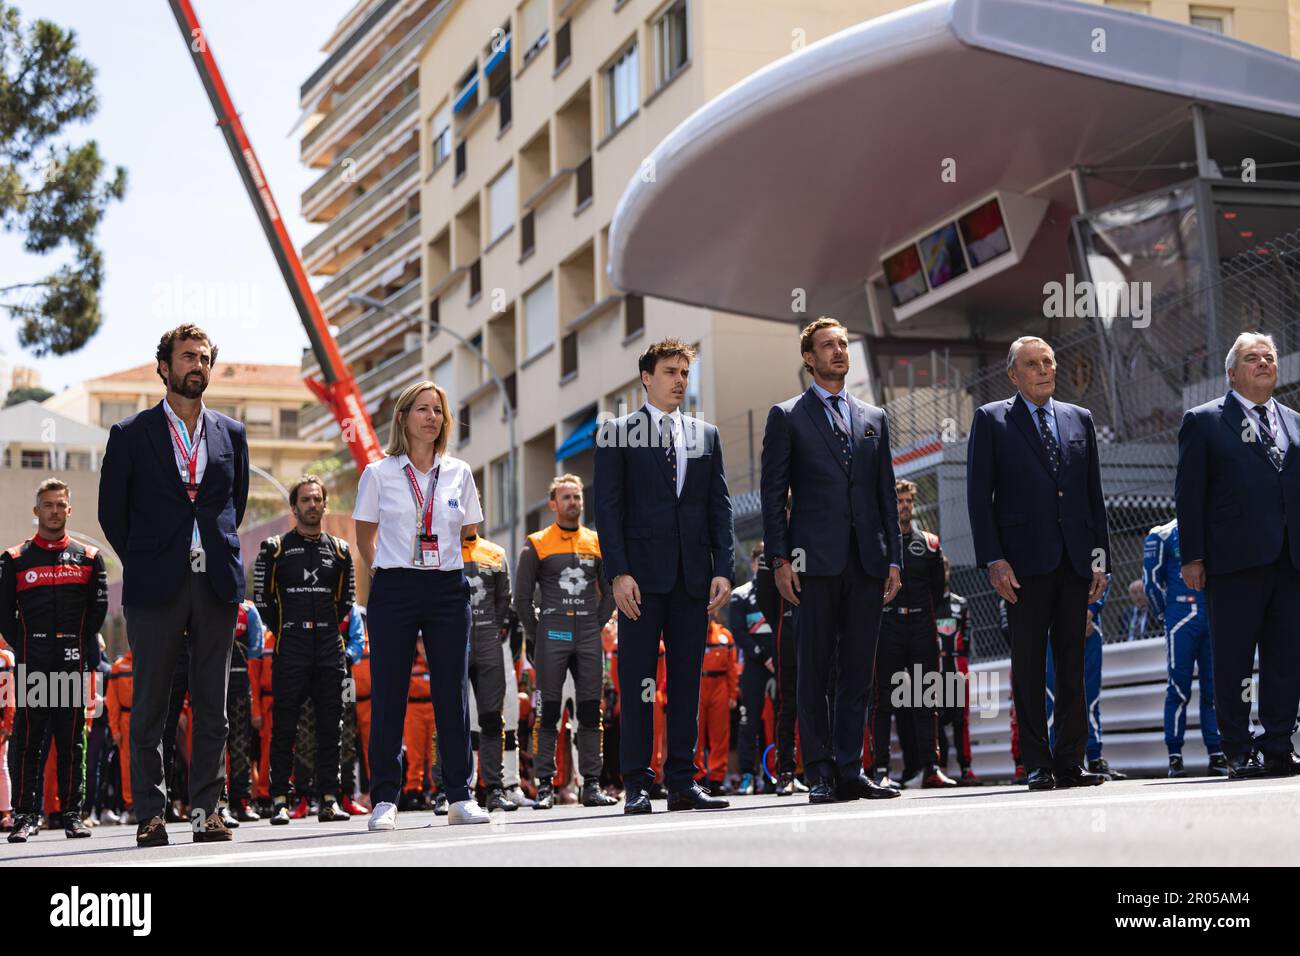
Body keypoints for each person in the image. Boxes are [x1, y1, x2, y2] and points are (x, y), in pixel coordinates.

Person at [98, 324, 250, 845]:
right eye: (187, 357)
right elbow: (110, 514)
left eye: (204, 358)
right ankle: (151, 813)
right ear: (164, 367)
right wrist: (147, 559)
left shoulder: (231, 433)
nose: (197, 365)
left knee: (213, 703)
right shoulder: (131, 434)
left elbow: (236, 504)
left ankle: (208, 809)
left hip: (216, 583)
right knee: (150, 704)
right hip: (155, 584)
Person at [761, 317, 903, 804]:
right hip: (812, 563)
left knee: (859, 670)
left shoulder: (874, 418)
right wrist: (780, 559)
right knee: (813, 669)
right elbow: (773, 494)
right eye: (828, 345)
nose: (839, 351)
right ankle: (818, 769)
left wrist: (895, 560)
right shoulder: (787, 416)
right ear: (809, 358)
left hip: (867, 561)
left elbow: (886, 494)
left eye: (843, 343)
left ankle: (850, 768)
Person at [594, 338, 735, 814]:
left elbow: (720, 507)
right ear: (646, 378)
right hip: (639, 584)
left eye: (684, 373)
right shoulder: (617, 433)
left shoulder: (706, 435)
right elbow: (608, 511)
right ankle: (636, 783)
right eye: (670, 371)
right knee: (637, 684)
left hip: (693, 581)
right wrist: (617, 574)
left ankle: (682, 781)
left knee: (687, 685)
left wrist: (723, 570)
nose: (679, 380)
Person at [967, 335, 1110, 792]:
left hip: (1073, 562)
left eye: (1049, 361)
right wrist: (994, 559)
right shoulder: (991, 420)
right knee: (1028, 667)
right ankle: (1037, 763)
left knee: (1073, 665)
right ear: (1014, 374)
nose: (1045, 369)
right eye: (1033, 364)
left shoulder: (1079, 418)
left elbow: (1093, 496)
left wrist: (1099, 560)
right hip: (1022, 567)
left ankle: (1070, 761)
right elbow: (978, 498)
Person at [353, 380, 489, 827]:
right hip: (394, 588)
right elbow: (364, 537)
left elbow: (470, 532)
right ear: (403, 417)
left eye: (438, 410)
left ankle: (459, 795)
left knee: (451, 691)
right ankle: (385, 800)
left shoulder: (460, 473)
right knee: (389, 692)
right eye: (423, 409)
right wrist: (384, 571)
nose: (432, 417)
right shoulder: (378, 473)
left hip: (448, 587)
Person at [1174, 331, 1300, 778]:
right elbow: (1189, 495)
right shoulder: (1204, 421)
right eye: (1253, 358)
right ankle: (1236, 749)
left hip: (1290, 561)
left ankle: (1279, 746)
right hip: (1233, 562)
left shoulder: (1294, 420)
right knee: (1233, 659)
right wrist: (1192, 556)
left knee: (1287, 658)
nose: (1265, 362)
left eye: (1269, 357)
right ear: (1231, 372)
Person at [1, 478, 108, 842]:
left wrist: (74, 643)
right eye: (48, 505)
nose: (55, 511)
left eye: (61, 505)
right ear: (36, 511)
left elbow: (98, 612)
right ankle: (25, 816)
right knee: (29, 741)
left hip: (72, 662)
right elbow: (4, 615)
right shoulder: (15, 559)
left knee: (72, 741)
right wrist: (28, 645)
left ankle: (73, 815)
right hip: (34, 662)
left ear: (69, 510)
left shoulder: (90, 558)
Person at [255, 476, 355, 825]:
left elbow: (346, 603)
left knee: (332, 727)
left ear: (325, 505)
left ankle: (330, 799)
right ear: (294, 507)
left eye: (317, 499)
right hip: (291, 647)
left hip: (329, 648)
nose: (312, 505)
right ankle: (279, 799)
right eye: (305, 500)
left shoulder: (341, 551)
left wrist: (326, 629)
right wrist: (285, 630)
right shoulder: (275, 548)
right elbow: (262, 600)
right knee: (284, 727)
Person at [515, 475, 618, 809]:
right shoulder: (537, 542)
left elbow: (611, 591)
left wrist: (596, 623)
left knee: (591, 711)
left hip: (588, 633)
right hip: (552, 633)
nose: (573, 502)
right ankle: (545, 786)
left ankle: (591, 784)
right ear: (553, 504)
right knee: (548, 712)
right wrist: (536, 633)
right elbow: (521, 596)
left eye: (577, 497)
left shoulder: (597, 541)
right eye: (566, 497)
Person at [869, 480, 955, 790]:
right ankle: (880, 768)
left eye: (907, 501)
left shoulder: (930, 543)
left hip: (921, 626)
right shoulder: (879, 542)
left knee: (926, 697)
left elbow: (938, 590)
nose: (904, 506)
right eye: (899, 501)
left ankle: (931, 768)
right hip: (888, 626)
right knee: (883, 702)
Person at [1143, 518, 1227, 777]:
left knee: (1215, 689)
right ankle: (1175, 757)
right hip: (1180, 618)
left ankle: (1217, 753)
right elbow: (1151, 582)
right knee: (1178, 688)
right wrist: (1165, 615)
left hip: (1213, 615)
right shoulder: (1162, 534)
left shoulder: (1216, 525)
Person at [1044, 583, 1126, 781]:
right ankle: (1053, 759)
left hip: (1090, 625)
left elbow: (1103, 572)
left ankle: (1094, 757)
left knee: (1090, 694)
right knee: (1053, 695)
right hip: (1050, 624)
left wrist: (1089, 611)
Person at [753, 547, 802, 794]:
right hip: (787, 633)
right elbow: (765, 600)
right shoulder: (769, 552)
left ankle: (825, 768)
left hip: (820, 630)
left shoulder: (818, 533)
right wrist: (785, 620)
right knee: (787, 705)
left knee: (826, 700)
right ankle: (786, 772)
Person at [730, 544, 772, 796]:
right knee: (749, 721)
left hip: (779, 663)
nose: (764, 565)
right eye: (761, 560)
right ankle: (747, 775)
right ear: (754, 563)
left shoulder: (782, 588)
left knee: (784, 719)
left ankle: (780, 773)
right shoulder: (741, 594)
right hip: (755, 666)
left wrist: (777, 658)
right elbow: (738, 632)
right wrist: (763, 656)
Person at [936, 557, 979, 785]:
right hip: (933, 670)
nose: (940, 572)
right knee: (936, 718)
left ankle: (966, 768)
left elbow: (967, 639)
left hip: (957, 667)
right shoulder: (927, 604)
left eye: (943, 567)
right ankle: (939, 767)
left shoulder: (961, 604)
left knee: (960, 719)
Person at [695, 610, 739, 794]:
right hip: (697, 685)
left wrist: (732, 694)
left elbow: (732, 667)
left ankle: (716, 779)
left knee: (720, 735)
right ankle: (697, 777)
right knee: (696, 735)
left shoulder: (724, 635)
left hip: (719, 686)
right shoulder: (691, 632)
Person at [106, 647, 135, 823]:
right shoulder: (118, 667)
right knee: (126, 764)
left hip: (143, 717)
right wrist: (115, 729)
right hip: (125, 719)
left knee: (147, 761)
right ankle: (129, 804)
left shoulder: (148, 662)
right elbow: (112, 700)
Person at [1, 640, 14, 831]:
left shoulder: (4, 658)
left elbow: (10, 692)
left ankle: (6, 813)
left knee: (1, 766)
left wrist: (8, 723)